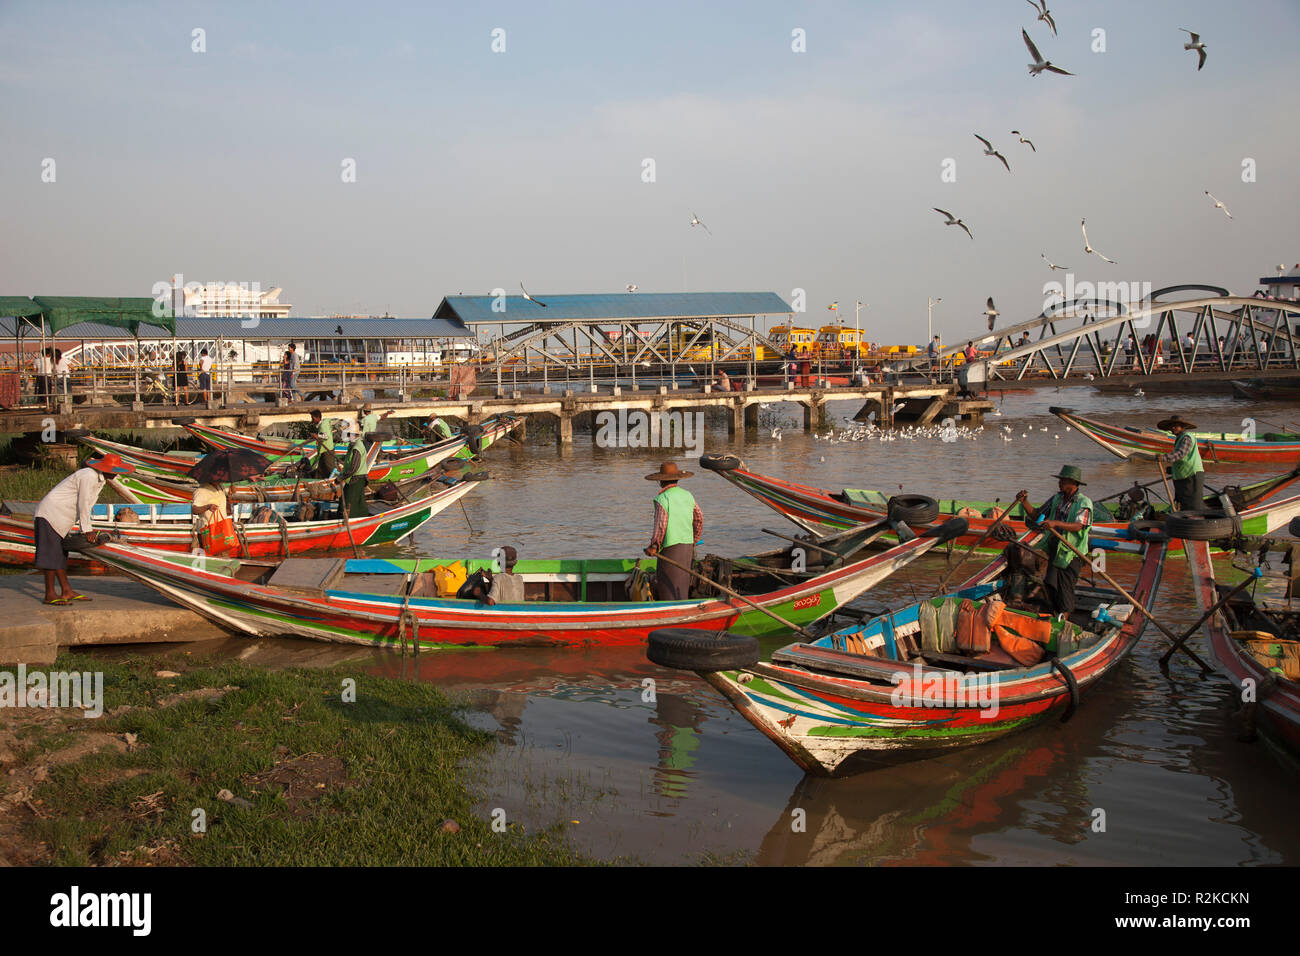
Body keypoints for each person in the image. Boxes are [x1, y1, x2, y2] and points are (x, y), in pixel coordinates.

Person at [33, 454, 135, 604]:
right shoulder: (88, 476)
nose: (116, 473)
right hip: (50, 514)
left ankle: (66, 590)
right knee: (51, 556)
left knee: (60, 554)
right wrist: (86, 530)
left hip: (62, 518)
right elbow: (83, 503)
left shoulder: (100, 480)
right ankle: (50, 594)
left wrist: (87, 527)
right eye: (114, 470)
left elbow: (86, 505)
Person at [1020, 465, 1093, 617]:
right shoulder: (1057, 499)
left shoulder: (1083, 502)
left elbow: (1079, 526)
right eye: (1060, 481)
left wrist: (1056, 523)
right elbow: (1037, 515)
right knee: (1050, 583)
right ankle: (1056, 613)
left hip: (1072, 552)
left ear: (1073, 483)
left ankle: (1066, 617)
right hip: (1056, 547)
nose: (1059, 484)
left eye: (1063, 481)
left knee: (1065, 586)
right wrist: (1024, 502)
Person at [644, 461, 703, 601]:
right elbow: (699, 517)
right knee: (682, 581)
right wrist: (694, 539)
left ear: (660, 481)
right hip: (687, 545)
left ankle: (670, 610)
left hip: (671, 547)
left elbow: (661, 526)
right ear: (677, 479)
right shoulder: (687, 495)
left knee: (668, 583)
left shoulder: (662, 498)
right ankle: (682, 607)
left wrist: (654, 546)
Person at [1158, 415, 1204, 511]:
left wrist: (1164, 457)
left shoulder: (1186, 438)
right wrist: (1172, 469)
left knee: (1193, 506)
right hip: (1184, 477)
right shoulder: (1180, 438)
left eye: (1176, 426)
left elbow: (1180, 454)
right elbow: (1182, 459)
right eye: (1171, 426)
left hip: (1191, 476)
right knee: (1184, 505)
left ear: (1182, 427)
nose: (1173, 428)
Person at [335, 427, 368, 520]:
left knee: (349, 500)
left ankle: (352, 519)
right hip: (354, 478)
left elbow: (354, 468)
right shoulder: (353, 446)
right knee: (354, 500)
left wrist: (341, 477)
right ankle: (359, 517)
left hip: (357, 478)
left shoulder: (357, 447)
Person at [307, 409, 338, 478]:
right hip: (323, 450)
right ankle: (318, 480)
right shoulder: (324, 424)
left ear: (317, 418)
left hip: (327, 449)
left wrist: (316, 436)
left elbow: (326, 436)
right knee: (321, 468)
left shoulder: (323, 426)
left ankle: (336, 480)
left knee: (330, 467)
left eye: (313, 418)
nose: (312, 420)